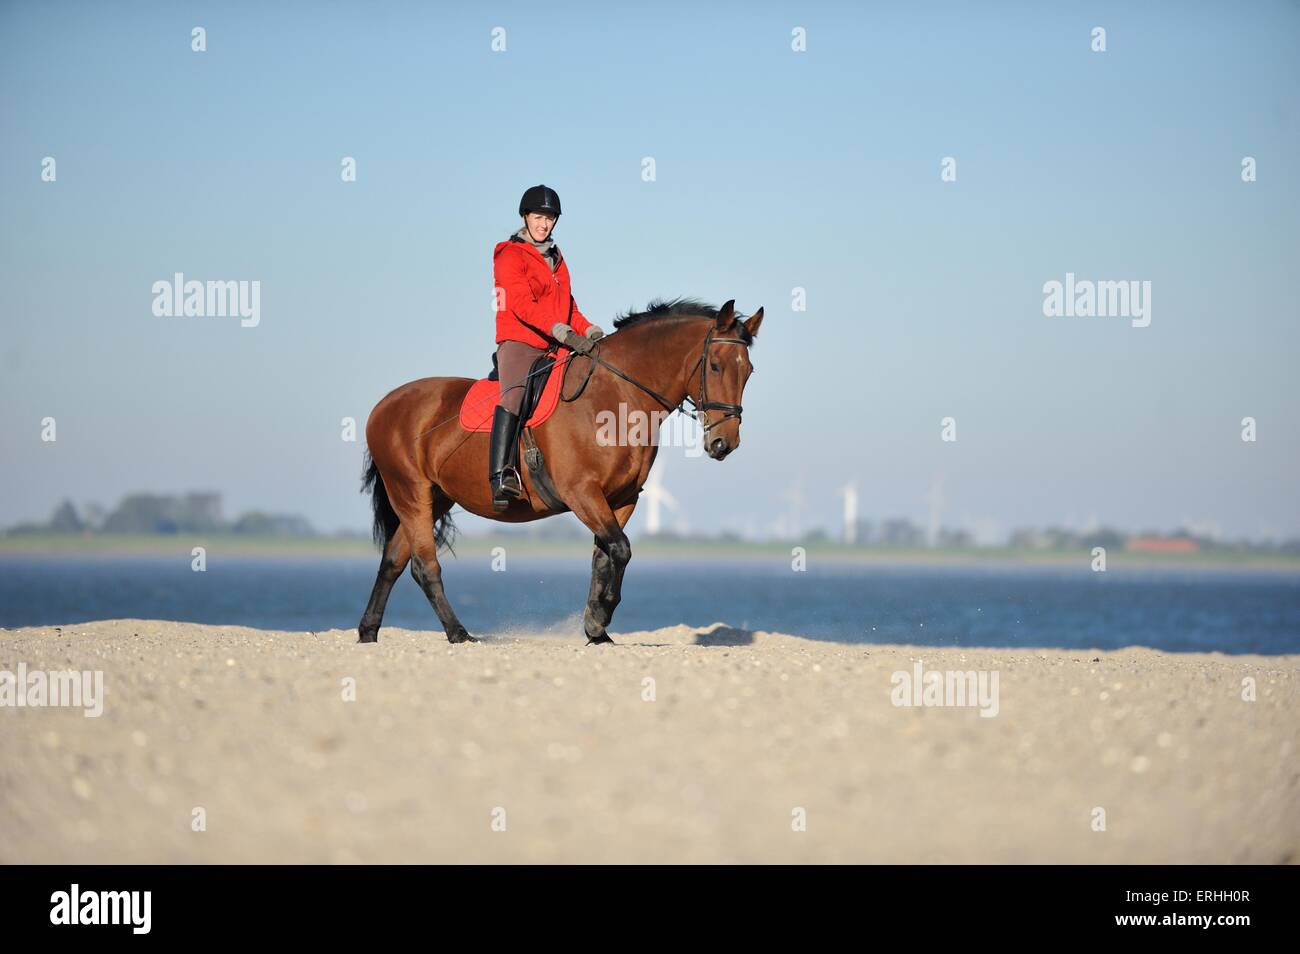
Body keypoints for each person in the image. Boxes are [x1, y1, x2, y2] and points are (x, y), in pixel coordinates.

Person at [488, 184, 605, 510]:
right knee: (514, 395)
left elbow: (567, 306)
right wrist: (563, 332)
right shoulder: (509, 254)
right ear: (526, 217)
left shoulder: (556, 258)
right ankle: (500, 475)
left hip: (556, 343)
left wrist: (590, 329)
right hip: (520, 342)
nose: (544, 224)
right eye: (539, 217)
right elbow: (523, 305)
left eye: (550, 218)